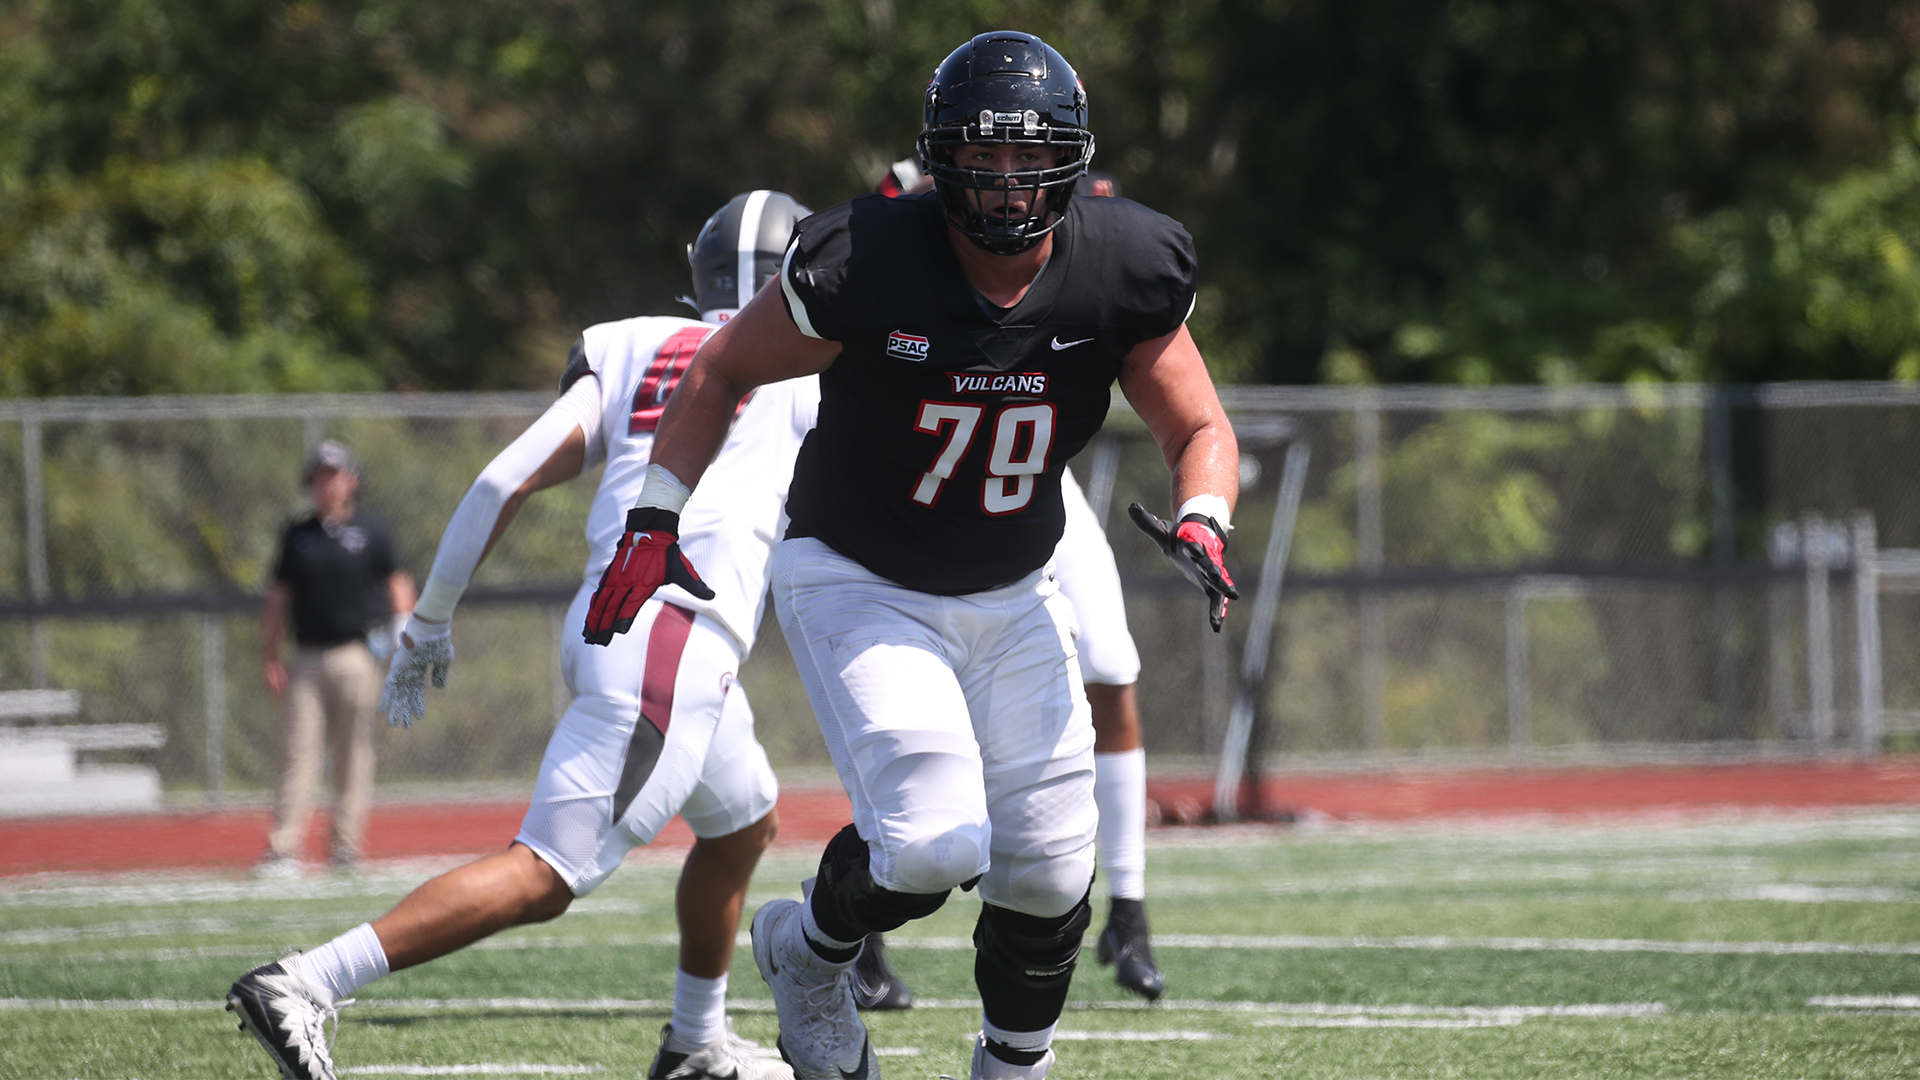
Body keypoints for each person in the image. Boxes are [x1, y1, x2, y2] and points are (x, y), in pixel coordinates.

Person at [582, 31, 1239, 1080]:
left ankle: (1012, 1066)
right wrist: (654, 519)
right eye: (987, 155)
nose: (1011, 181)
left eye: (1034, 155)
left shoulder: (1125, 263)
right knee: (933, 845)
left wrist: (1205, 513)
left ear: (1073, 156)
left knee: (1050, 868)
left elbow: (1197, 427)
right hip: (859, 577)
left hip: (1016, 589)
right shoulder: (867, 257)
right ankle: (807, 952)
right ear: (942, 158)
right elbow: (719, 370)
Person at [226, 191, 816, 1080]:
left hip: (613, 624)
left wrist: (429, 621)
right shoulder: (814, 372)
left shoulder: (639, 347)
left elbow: (502, 480)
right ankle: (307, 982)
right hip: (674, 647)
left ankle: (696, 1043)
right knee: (543, 875)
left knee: (742, 823)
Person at [856, 160, 1165, 1007]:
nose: (1008, 185)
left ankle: (1129, 906)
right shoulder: (911, 215)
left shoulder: (1094, 225)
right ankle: (859, 929)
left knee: (1112, 660)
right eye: (987, 157)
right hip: (921, 487)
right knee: (909, 726)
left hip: (1033, 478)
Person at [258, 441, 416, 876]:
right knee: (297, 753)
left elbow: (398, 584)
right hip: (307, 657)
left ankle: (345, 848)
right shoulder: (298, 534)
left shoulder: (373, 531)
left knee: (354, 753)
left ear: (352, 480)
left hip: (357, 656)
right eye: (320, 475)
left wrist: (404, 636)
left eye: (335, 473)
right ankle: (283, 849)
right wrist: (270, 654)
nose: (327, 483)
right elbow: (277, 597)